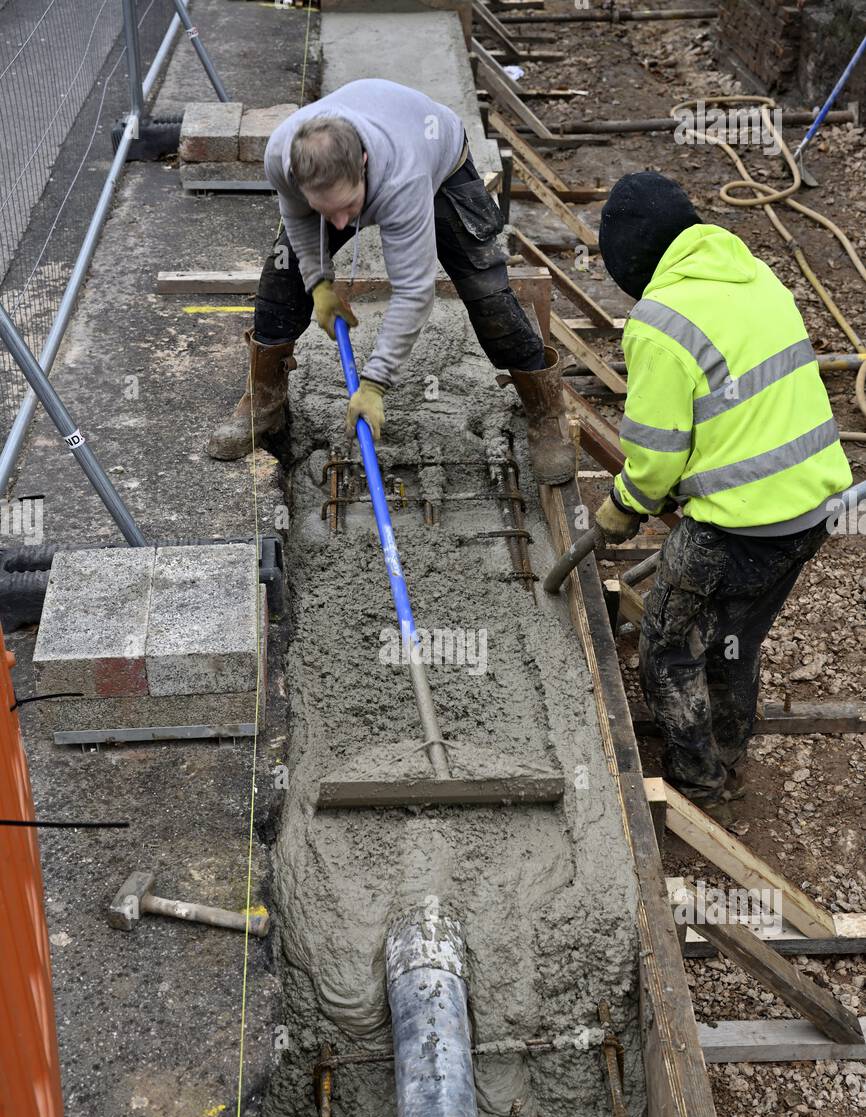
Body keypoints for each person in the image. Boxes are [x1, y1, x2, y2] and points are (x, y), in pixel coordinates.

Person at [595, 171, 852, 820]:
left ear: (634, 262)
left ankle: (699, 781)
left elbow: (653, 463)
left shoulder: (658, 322)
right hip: (814, 509)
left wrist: (622, 506)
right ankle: (732, 746)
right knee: (736, 636)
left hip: (737, 527)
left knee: (669, 648)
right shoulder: (757, 276)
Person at [207, 78, 574, 484]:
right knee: (282, 276)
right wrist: (319, 284)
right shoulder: (282, 155)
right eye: (326, 210)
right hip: (370, 142)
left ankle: (545, 412)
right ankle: (265, 403)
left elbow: (415, 292)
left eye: (349, 208)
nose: (342, 224)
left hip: (439, 154)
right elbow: (298, 219)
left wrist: (374, 384)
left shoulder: (404, 178)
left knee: (487, 296)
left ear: (363, 163)